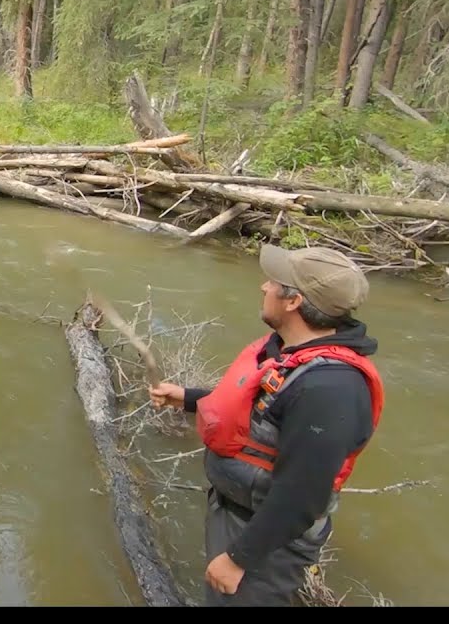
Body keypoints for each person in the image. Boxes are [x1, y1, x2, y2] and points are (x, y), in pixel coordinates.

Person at [150, 244, 385, 607]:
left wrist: (238, 558)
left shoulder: (330, 389)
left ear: (293, 301)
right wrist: (190, 398)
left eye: (273, 282)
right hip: (239, 516)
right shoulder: (291, 350)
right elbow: (265, 406)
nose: (263, 287)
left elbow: (302, 494)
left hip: (266, 545)